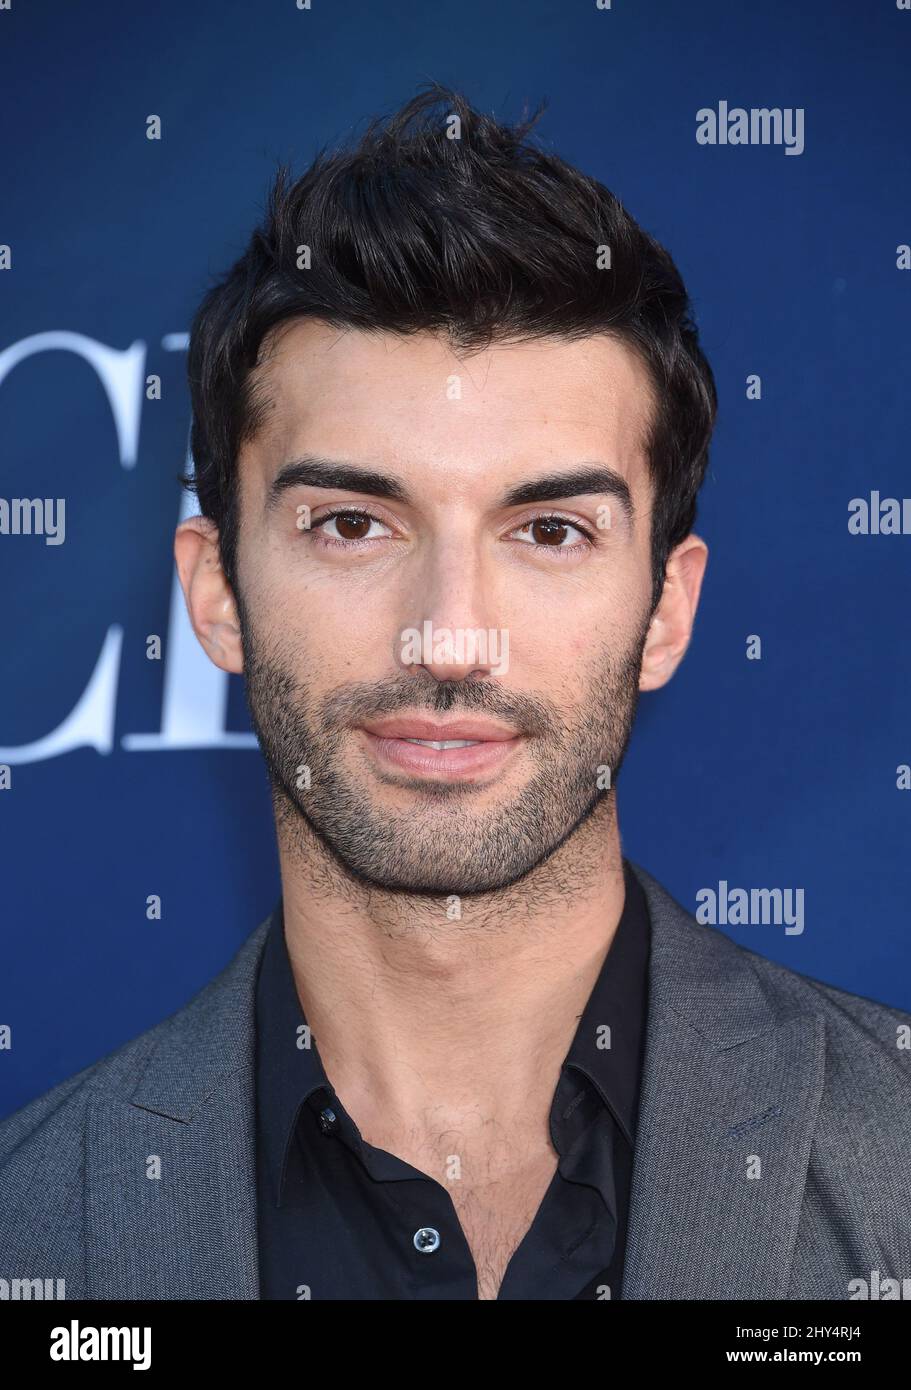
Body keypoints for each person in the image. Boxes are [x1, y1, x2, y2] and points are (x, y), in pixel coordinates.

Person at [2, 85, 909, 1302]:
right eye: (349, 523)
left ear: (668, 609)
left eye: (545, 529)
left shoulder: (890, 1159)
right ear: (214, 593)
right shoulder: (29, 1229)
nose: (448, 636)